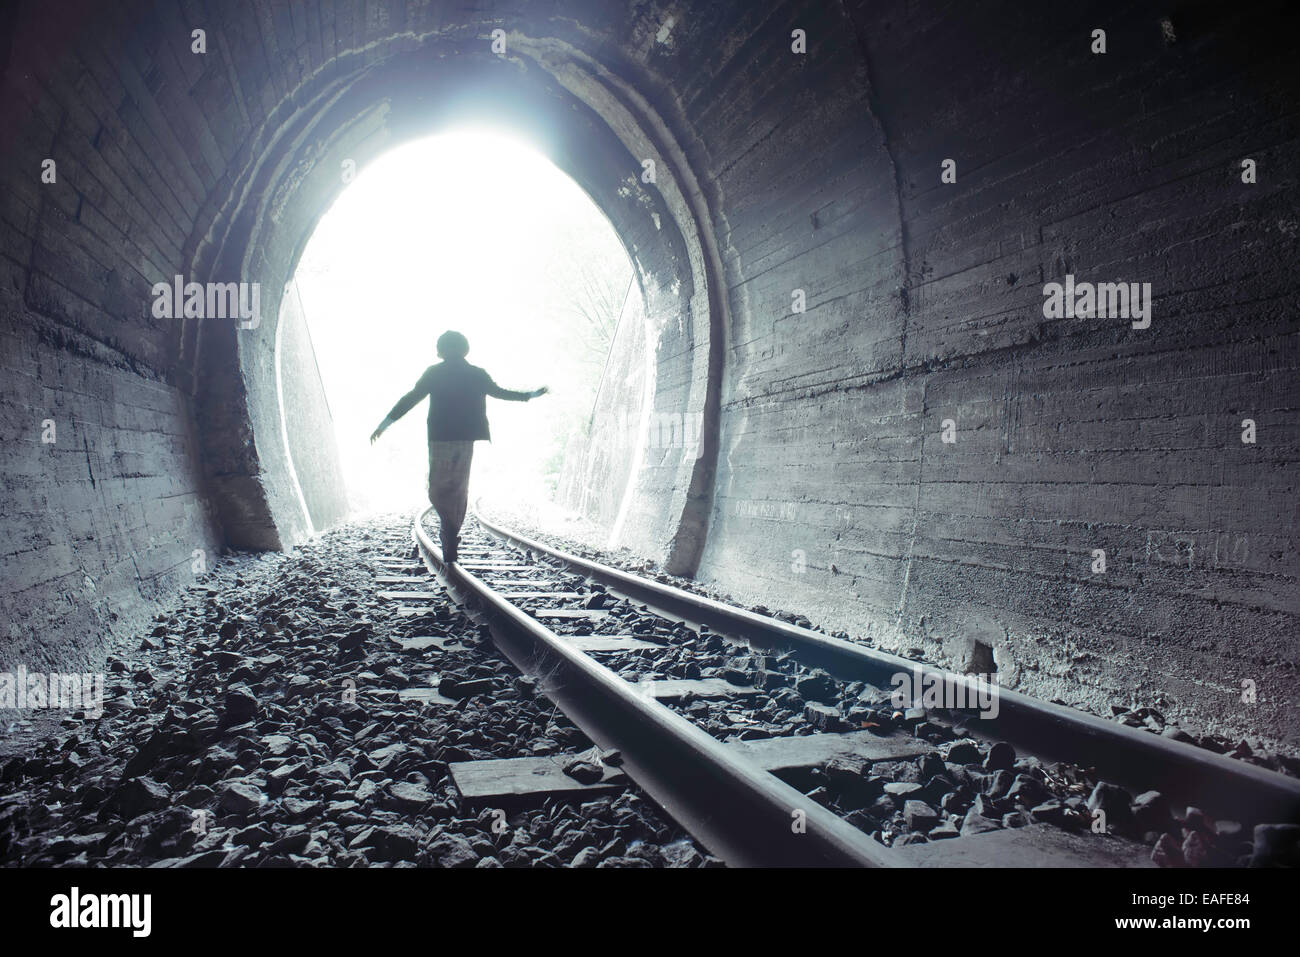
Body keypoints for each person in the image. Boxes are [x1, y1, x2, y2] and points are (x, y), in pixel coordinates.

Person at [370, 330, 547, 562]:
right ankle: (451, 531)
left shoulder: (434, 373)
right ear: (465, 349)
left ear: (440, 349)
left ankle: (448, 529)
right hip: (465, 439)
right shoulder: (476, 374)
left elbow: (411, 399)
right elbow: (500, 393)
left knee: (437, 488)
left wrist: (385, 424)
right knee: (458, 489)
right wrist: (531, 395)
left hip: (440, 438)